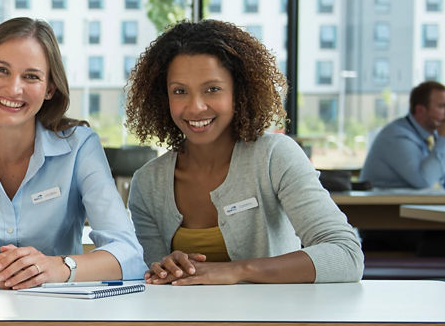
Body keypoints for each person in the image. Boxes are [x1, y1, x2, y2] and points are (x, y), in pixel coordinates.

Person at [124, 19, 363, 285]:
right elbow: (151, 280)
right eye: (179, 91)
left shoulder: (275, 157)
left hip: (275, 322)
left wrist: (240, 270)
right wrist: (164, 268)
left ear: (240, 92)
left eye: (212, 89)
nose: (195, 107)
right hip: (185, 325)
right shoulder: (148, 183)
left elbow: (347, 256)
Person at [0, 18, 146, 289]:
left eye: (31, 76)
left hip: (62, 314)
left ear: (49, 89)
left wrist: (56, 267)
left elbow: (128, 253)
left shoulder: (80, 146)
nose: (14, 88)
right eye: (2, 70)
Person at [360, 80, 445, 190]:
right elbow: (423, 181)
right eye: (442, 106)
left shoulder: (436, 138)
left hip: (421, 204)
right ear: (420, 110)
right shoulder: (396, 136)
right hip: (386, 205)